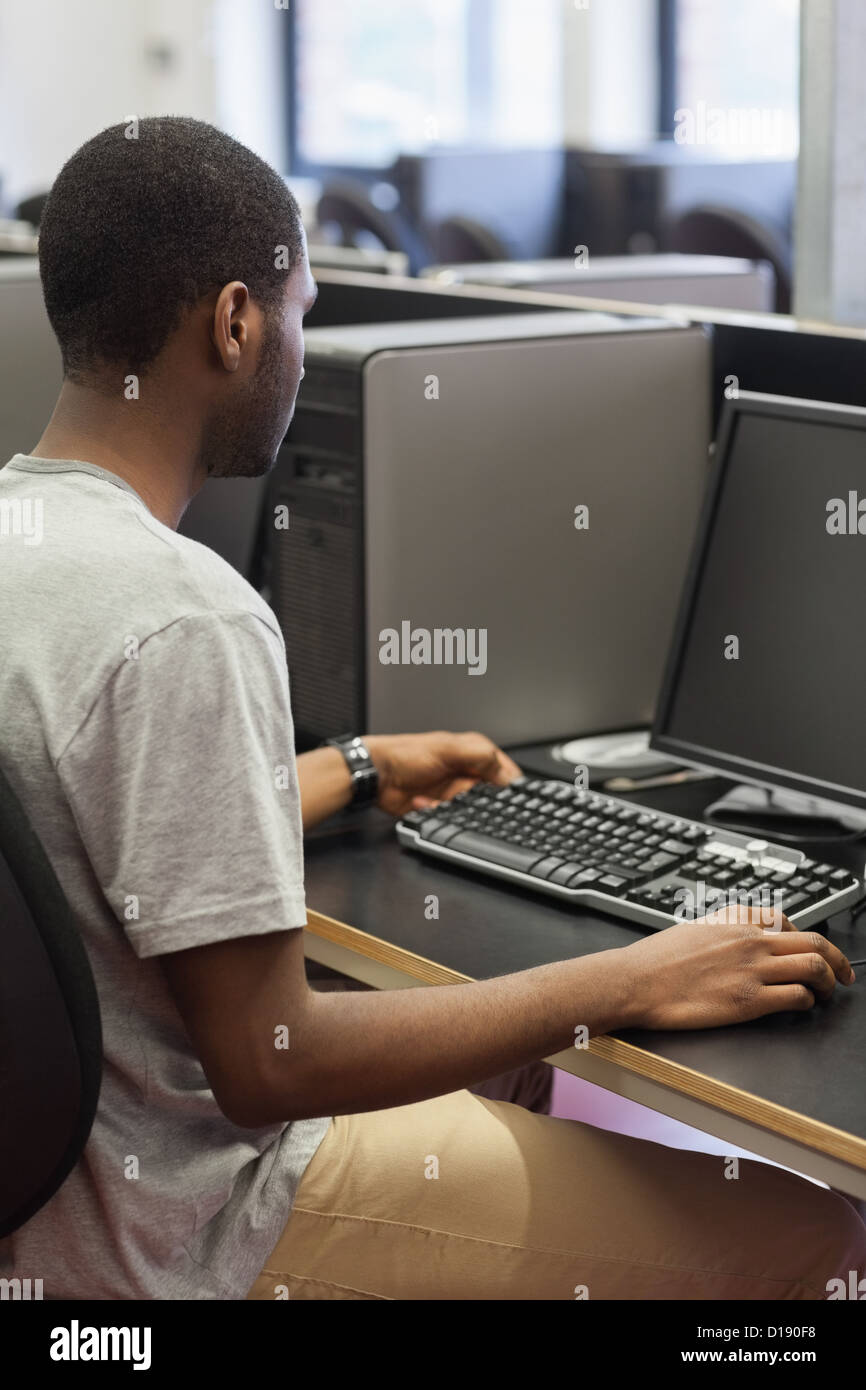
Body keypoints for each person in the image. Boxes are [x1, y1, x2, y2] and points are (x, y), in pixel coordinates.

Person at [0, 118, 863, 1302]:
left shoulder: (25, 537)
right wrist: (629, 975)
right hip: (185, 1220)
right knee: (811, 1236)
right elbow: (270, 1058)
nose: (301, 351)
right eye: (302, 312)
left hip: (58, 1200)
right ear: (237, 320)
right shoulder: (186, 615)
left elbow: (76, 824)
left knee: (505, 1070)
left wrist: (351, 767)